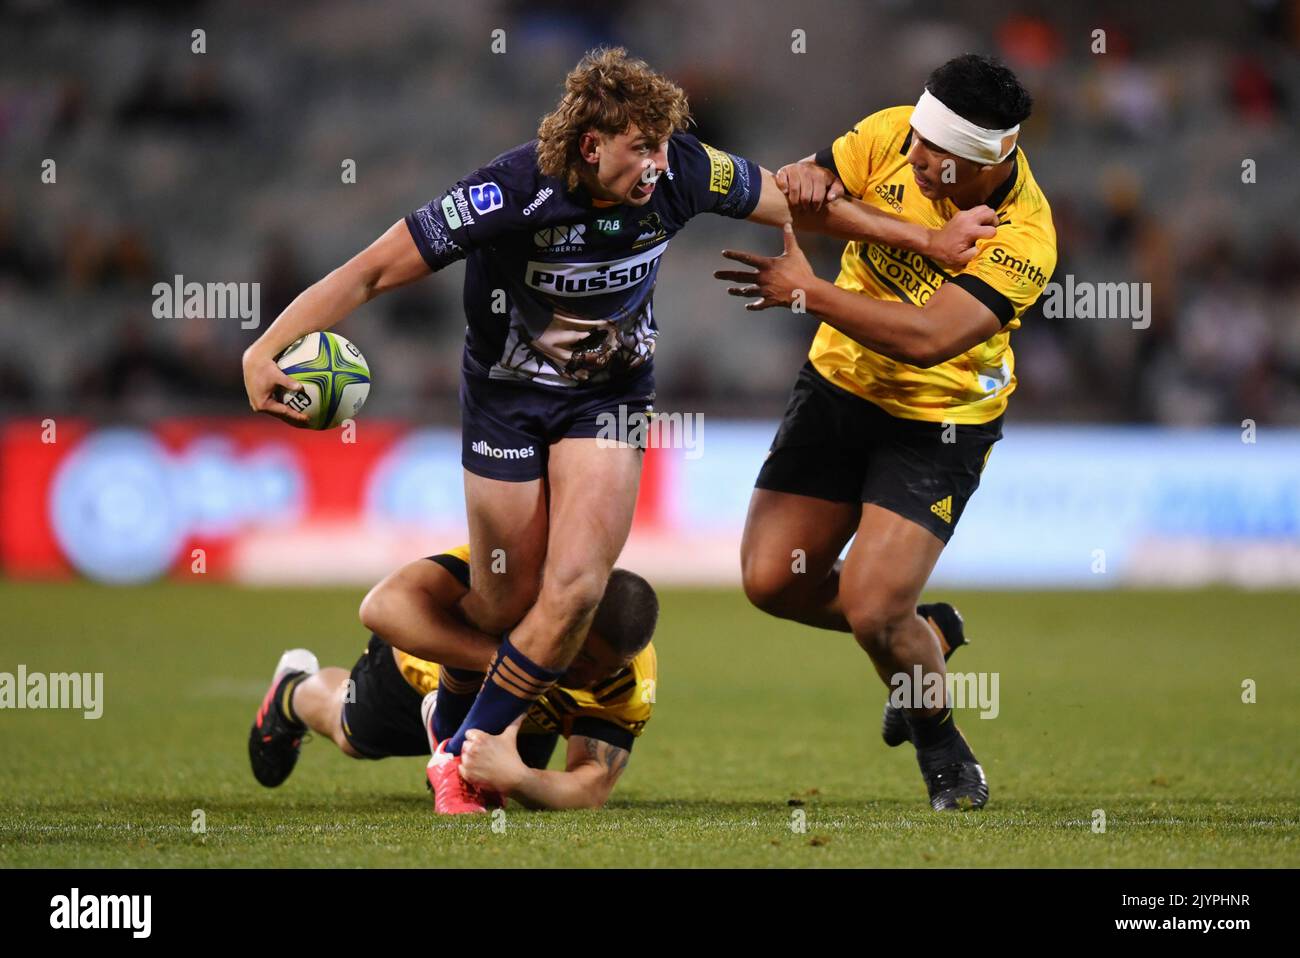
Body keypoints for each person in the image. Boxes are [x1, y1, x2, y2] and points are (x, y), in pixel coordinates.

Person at [242, 46, 995, 814]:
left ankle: (473, 751)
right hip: (504, 402)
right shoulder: (509, 192)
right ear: (590, 146)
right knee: (506, 603)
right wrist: (265, 347)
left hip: (608, 399)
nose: (660, 166)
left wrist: (928, 242)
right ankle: (330, 697)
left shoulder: (687, 171)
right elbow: (371, 270)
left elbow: (803, 206)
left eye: (666, 147)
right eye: (643, 149)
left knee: (574, 588)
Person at [714, 55, 1057, 810]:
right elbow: (793, 200)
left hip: (939, 421)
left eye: (939, 158)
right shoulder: (892, 133)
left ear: (991, 160)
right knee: (772, 582)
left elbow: (929, 340)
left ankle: (942, 745)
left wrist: (811, 292)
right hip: (839, 388)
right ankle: (924, 631)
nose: (914, 157)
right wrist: (921, 239)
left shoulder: (1027, 237)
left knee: (872, 606)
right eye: (917, 141)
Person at [248, 546, 658, 811]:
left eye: (607, 669)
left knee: (517, 792)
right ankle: (294, 689)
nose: (589, 677)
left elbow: (590, 788)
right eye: (582, 657)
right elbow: (380, 607)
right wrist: (510, 666)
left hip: (525, 718)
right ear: (572, 620)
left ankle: (460, 745)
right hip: (418, 670)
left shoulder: (625, 681)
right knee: (352, 735)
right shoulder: (519, 580)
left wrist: (518, 777)